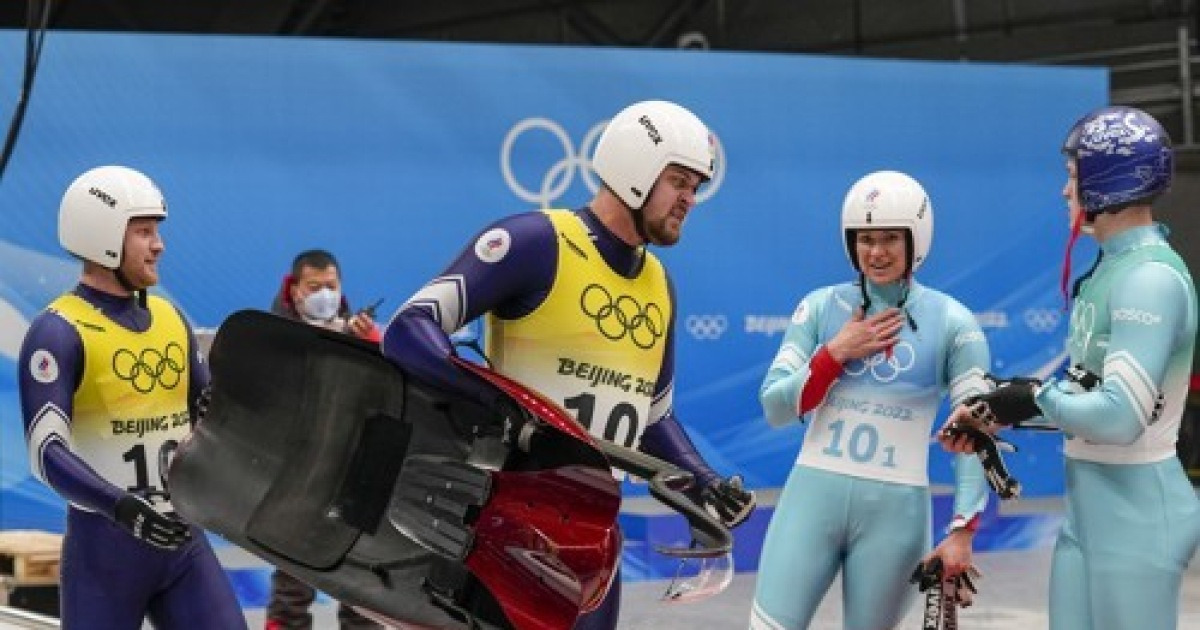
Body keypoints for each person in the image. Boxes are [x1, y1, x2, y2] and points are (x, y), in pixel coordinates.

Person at [380, 99, 755, 629]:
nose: (690, 199)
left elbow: (653, 418)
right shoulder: (535, 242)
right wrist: (497, 403)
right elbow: (409, 330)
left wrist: (703, 480)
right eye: (679, 181)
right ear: (633, 169)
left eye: (696, 186)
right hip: (506, 528)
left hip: (595, 538)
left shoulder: (660, 286)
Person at [939, 105, 1200, 630]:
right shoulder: (1114, 269)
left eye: (1073, 176)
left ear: (1106, 183)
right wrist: (997, 411)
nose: (1065, 191)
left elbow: (1122, 418)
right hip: (1089, 514)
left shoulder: (1148, 278)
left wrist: (1032, 396)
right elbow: (1089, 397)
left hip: (1138, 519)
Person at [750, 170, 993, 630]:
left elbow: (975, 435)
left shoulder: (954, 322)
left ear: (915, 240)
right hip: (811, 501)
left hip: (895, 518)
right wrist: (836, 352)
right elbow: (776, 407)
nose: (876, 252)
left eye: (888, 239)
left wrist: (963, 531)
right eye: (864, 239)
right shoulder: (821, 307)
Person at [16, 165, 246, 629]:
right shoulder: (57, 331)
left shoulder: (170, 317)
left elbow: (211, 419)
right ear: (101, 237)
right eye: (143, 232)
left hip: (183, 544)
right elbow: (46, 453)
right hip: (105, 553)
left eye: (156, 231)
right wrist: (120, 507)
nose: (158, 244)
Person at [264, 248, 382, 630]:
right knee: (291, 586)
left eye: (331, 286)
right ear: (295, 290)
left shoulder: (358, 330)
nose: (324, 294)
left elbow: (387, 391)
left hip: (355, 470)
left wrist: (372, 343)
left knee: (361, 584)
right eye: (315, 287)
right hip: (294, 472)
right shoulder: (270, 334)